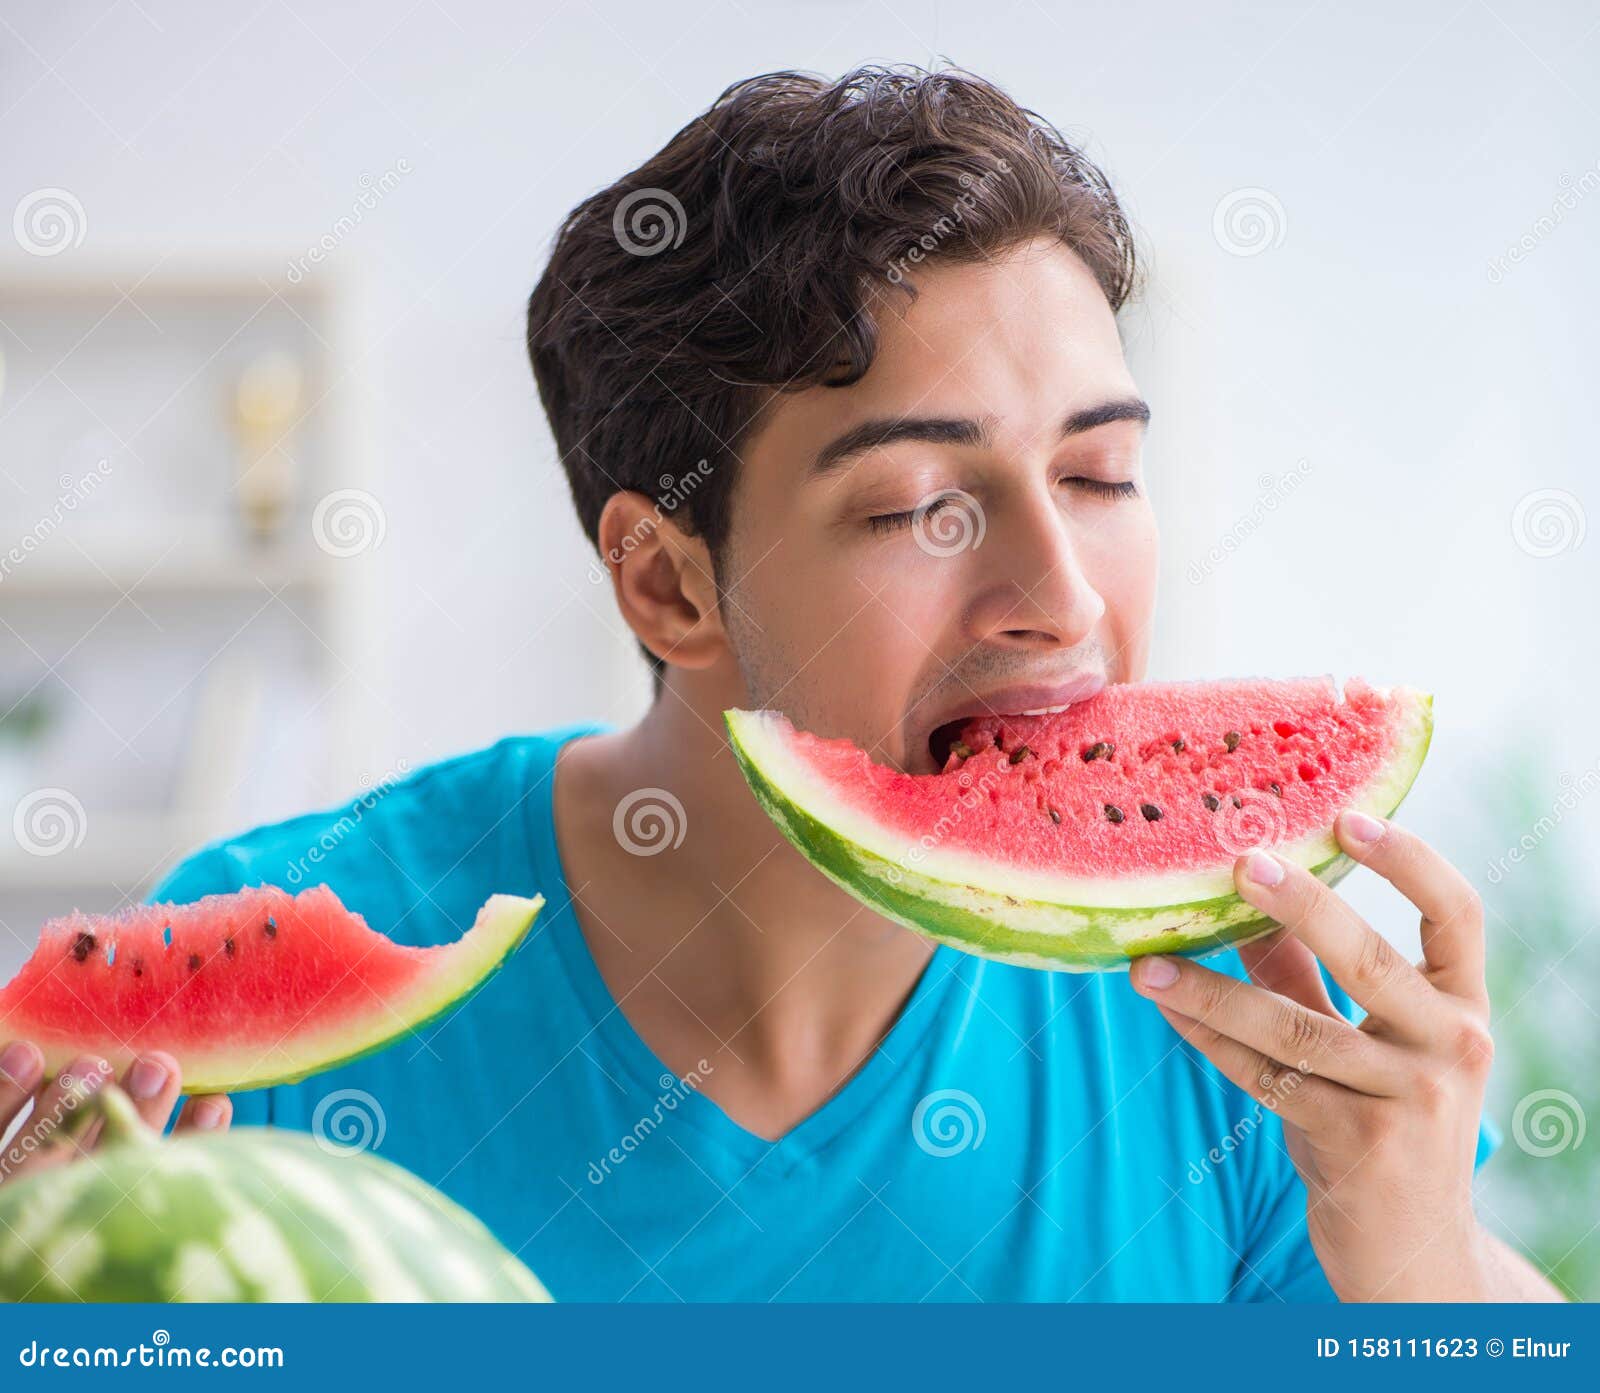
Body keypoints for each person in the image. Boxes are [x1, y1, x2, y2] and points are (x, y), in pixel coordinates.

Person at [0, 65, 1560, 1302]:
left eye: (1099, 471)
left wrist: (1414, 1252)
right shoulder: (247, 1028)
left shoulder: (1269, 1029)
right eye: (913, 508)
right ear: (668, 581)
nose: (1065, 597)